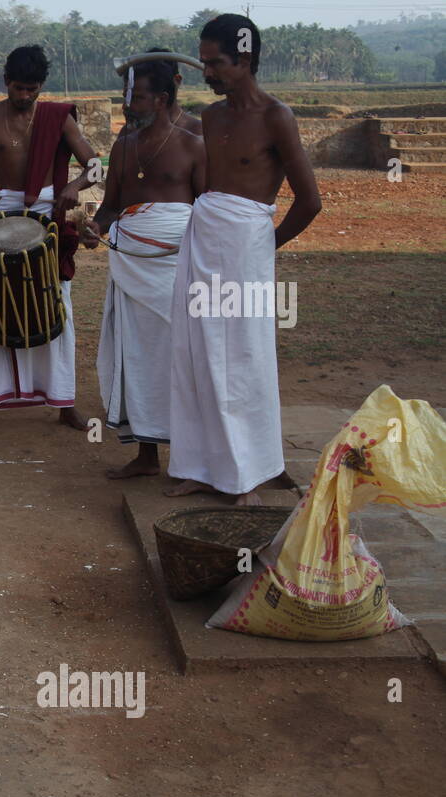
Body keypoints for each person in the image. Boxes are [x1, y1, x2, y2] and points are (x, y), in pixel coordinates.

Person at [165, 15, 320, 506]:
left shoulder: (277, 116)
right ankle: (202, 465)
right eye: (204, 62)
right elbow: (208, 186)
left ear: (245, 61)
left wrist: (264, 246)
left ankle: (247, 473)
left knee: (241, 357)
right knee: (196, 351)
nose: (206, 72)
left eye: (215, 63)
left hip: (247, 245)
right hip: (204, 237)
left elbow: (309, 201)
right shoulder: (210, 117)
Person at [0, 45, 95, 433]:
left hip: (47, 214)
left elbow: (93, 164)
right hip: (0, 214)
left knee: (57, 306)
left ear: (41, 85)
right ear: (6, 82)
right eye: (18, 88)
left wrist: (75, 186)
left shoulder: (57, 118)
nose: (25, 96)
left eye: (32, 89)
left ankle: (64, 403)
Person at [82, 60, 204, 478]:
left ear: (163, 98)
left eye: (135, 96)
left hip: (176, 267)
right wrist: (95, 226)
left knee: (182, 359)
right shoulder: (125, 144)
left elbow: (206, 209)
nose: (127, 104)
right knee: (137, 358)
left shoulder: (194, 139)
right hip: (131, 266)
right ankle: (146, 455)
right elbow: (113, 203)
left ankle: (192, 460)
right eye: (125, 96)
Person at [144, 48, 203, 135]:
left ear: (177, 80)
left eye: (159, 82)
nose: (156, 91)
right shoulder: (133, 130)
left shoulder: (197, 130)